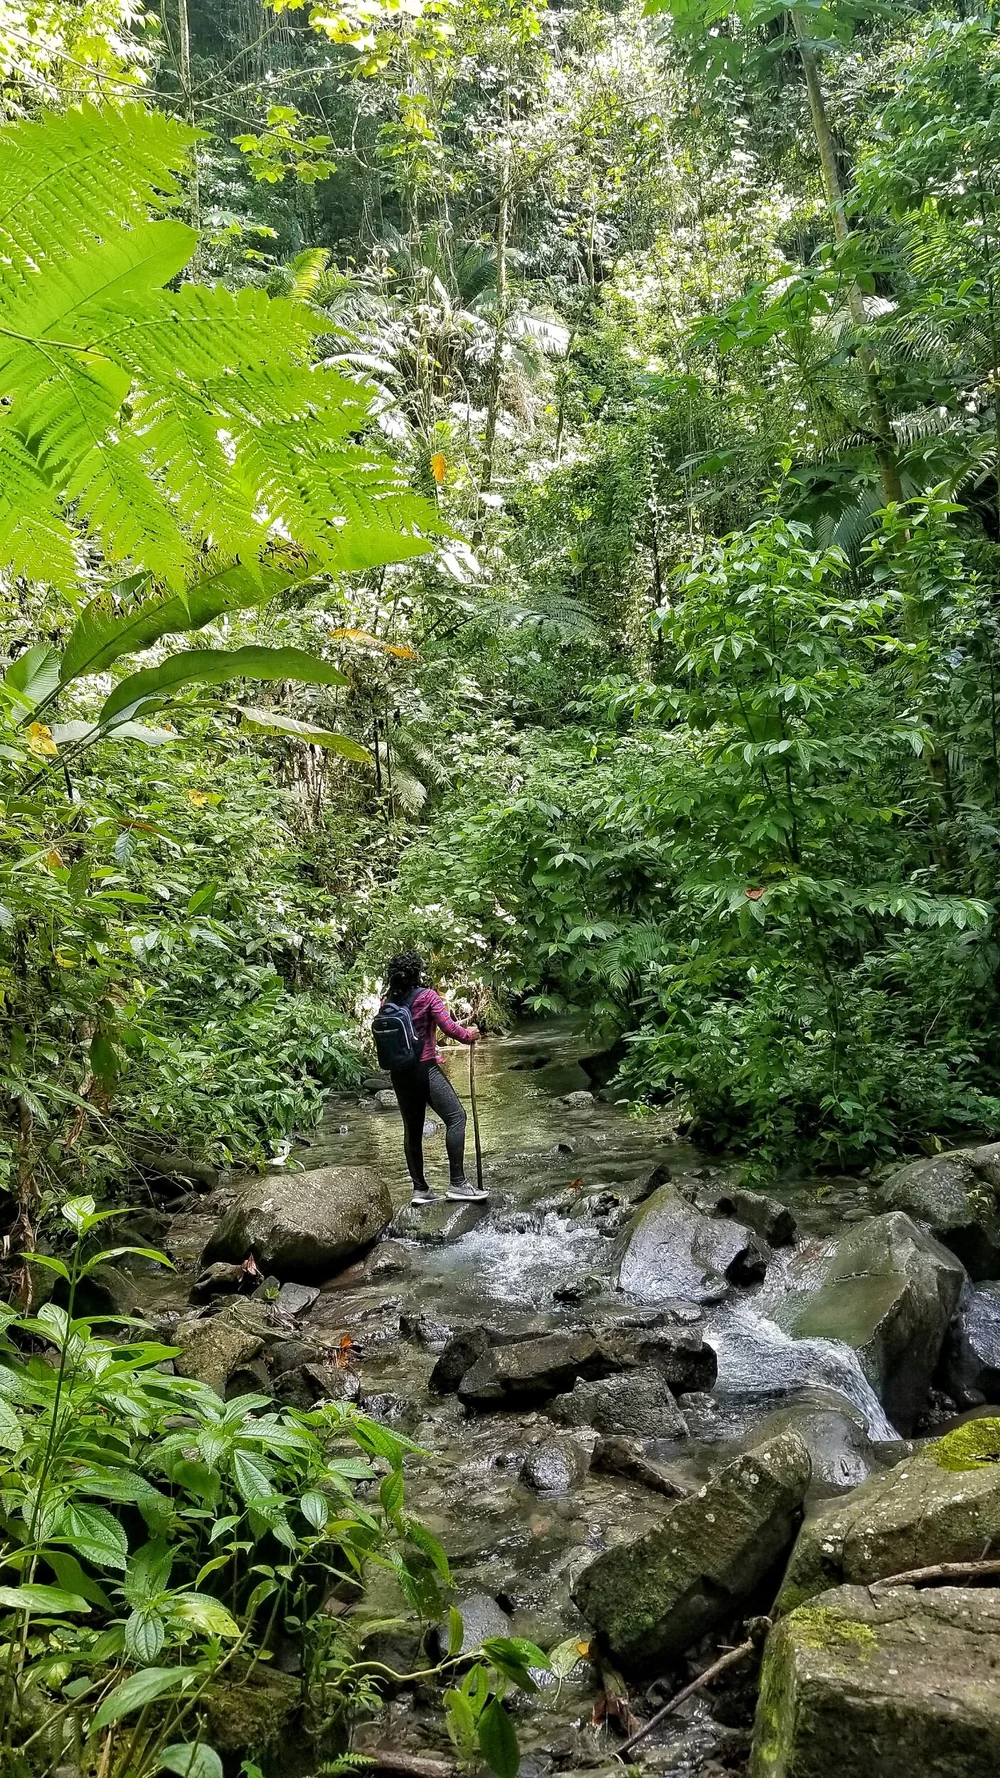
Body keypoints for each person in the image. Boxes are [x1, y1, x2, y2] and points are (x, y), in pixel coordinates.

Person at [380, 950, 487, 1205]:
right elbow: (450, 1030)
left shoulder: (387, 1001)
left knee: (413, 1130)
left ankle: (420, 1190)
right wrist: (470, 1034)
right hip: (424, 1069)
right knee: (456, 1117)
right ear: (417, 972)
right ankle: (458, 1184)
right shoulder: (427, 996)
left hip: (399, 1074)